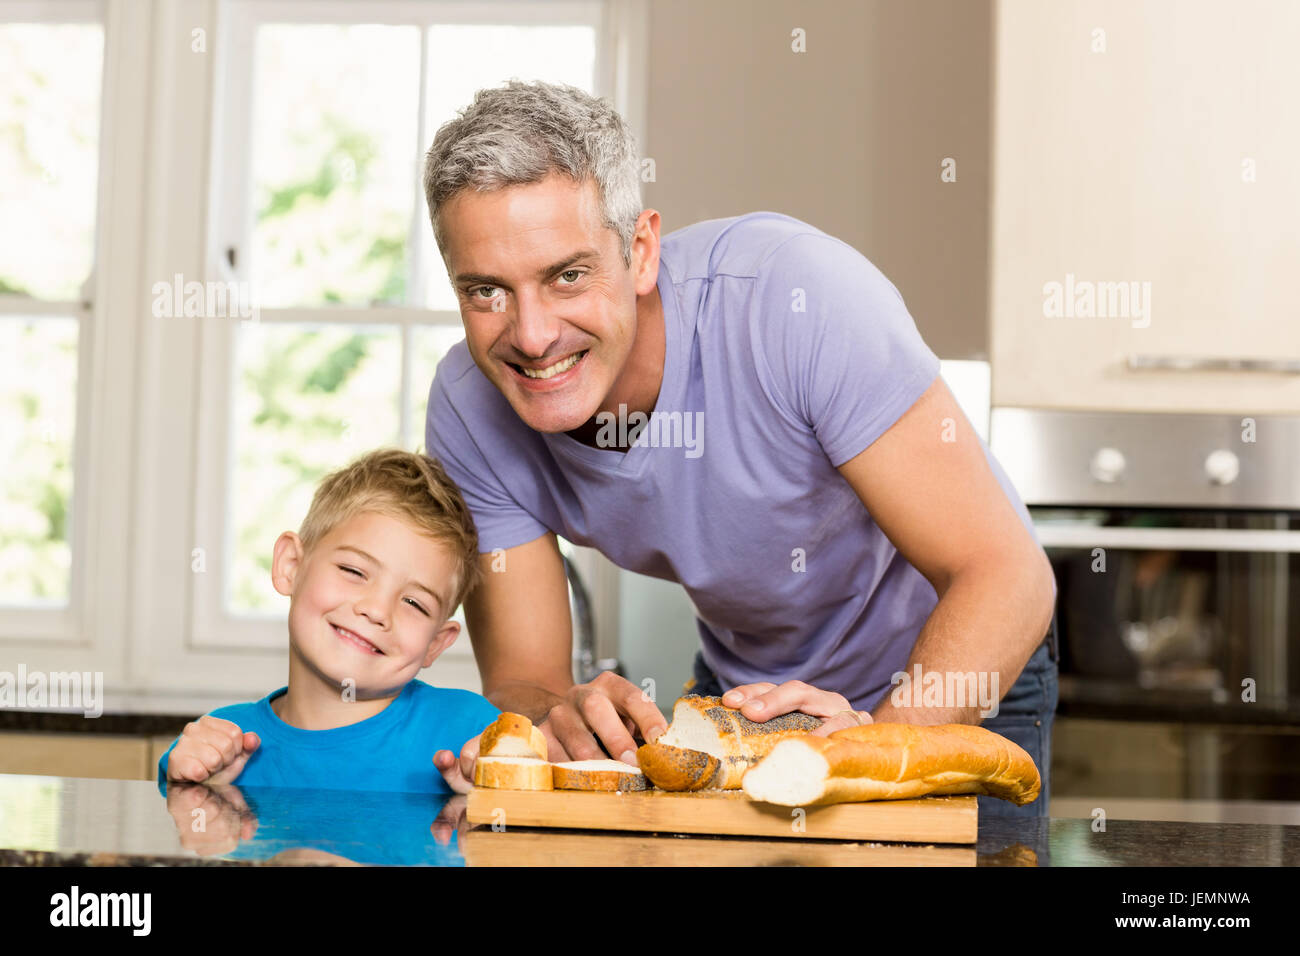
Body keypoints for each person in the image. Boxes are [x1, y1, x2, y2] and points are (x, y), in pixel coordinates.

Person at [422, 81, 1059, 817]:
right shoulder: (471, 407)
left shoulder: (795, 297)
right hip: (746, 698)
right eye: (486, 293)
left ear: (640, 251)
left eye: (567, 276)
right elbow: (525, 680)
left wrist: (873, 747)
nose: (532, 336)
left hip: (953, 672)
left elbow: (1007, 576)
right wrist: (560, 711)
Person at [156, 448, 499, 794]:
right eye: (353, 571)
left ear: (436, 643)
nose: (377, 611)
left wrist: (489, 811)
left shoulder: (475, 737)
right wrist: (204, 795)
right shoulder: (214, 749)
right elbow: (185, 840)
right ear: (290, 565)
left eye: (414, 602)